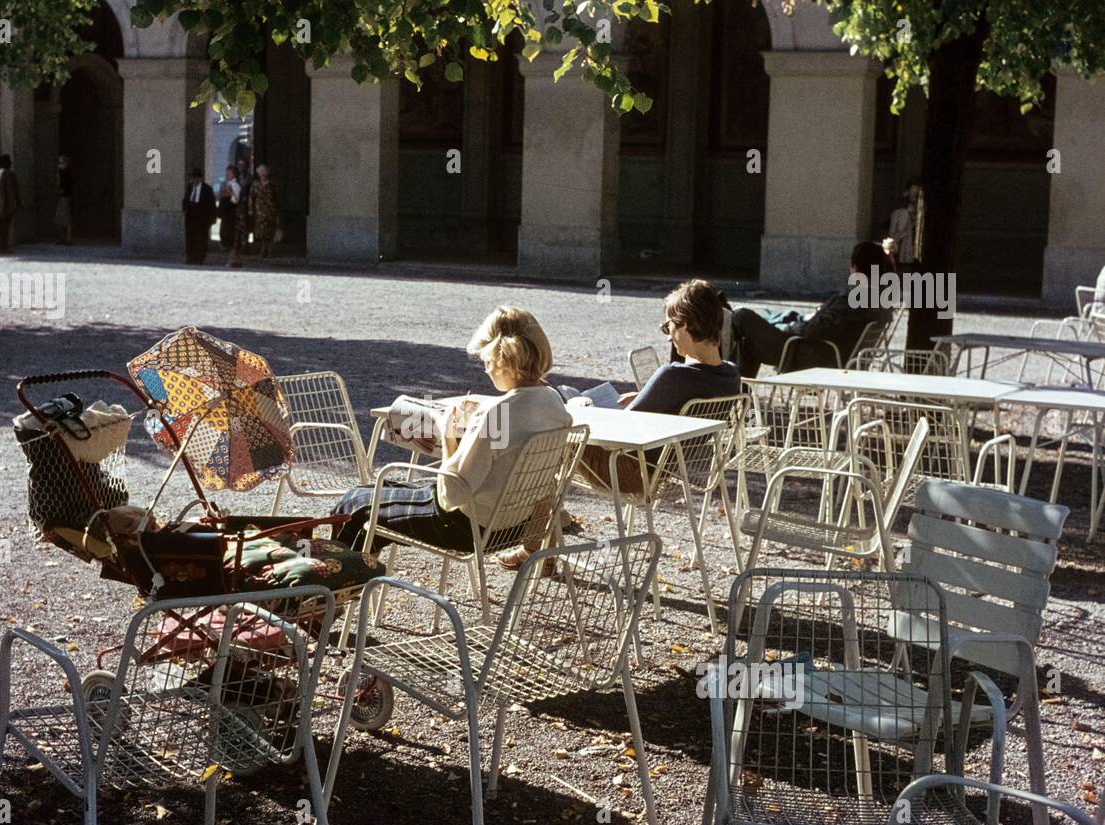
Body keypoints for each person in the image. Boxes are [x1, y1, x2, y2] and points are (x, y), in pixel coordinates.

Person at [333, 306, 572, 554]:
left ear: (502, 360)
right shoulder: (553, 402)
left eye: (487, 361)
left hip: (465, 527)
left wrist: (448, 432)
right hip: (512, 525)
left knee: (355, 506)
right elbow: (510, 432)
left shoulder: (496, 415)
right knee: (365, 493)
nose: (487, 369)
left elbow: (451, 495)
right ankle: (352, 576)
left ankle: (338, 580)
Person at [571, 280, 742, 499]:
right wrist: (647, 397)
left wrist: (585, 407)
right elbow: (684, 401)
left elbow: (621, 429)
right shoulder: (730, 375)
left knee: (552, 432)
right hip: (670, 468)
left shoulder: (673, 377)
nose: (669, 337)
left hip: (628, 471)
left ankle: (541, 519)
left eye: (667, 327)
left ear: (684, 325)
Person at [727, 241, 894, 379]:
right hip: (831, 355)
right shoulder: (880, 299)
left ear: (854, 267)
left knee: (742, 315)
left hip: (809, 354)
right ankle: (738, 399)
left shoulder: (852, 299)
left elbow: (817, 329)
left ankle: (721, 380)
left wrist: (795, 326)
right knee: (747, 345)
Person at [885, 176, 924, 267]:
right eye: (912, 189)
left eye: (916, 190)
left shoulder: (919, 202)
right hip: (899, 227)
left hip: (909, 229)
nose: (914, 192)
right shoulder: (902, 201)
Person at [181, 167, 215, 264]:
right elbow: (185, 200)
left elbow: (211, 206)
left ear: (200, 179)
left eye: (195, 178)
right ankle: (190, 257)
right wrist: (184, 210)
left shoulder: (207, 189)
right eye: (192, 178)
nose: (193, 180)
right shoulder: (190, 187)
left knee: (200, 239)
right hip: (191, 217)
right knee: (190, 238)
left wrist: (210, 220)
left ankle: (199, 258)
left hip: (202, 218)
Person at [0, 154, 19, 255]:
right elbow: (11, 191)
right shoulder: (9, 174)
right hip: (6, 203)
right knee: (4, 227)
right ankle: (2, 247)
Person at [248, 164, 278, 259]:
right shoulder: (255, 184)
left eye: (264, 172)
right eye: (260, 172)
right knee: (261, 231)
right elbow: (251, 197)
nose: (262, 174)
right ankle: (263, 249)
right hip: (259, 210)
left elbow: (277, 197)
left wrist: (277, 210)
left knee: (271, 231)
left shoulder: (272, 184)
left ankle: (270, 250)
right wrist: (250, 209)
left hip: (270, 210)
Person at [217, 164, 242, 267]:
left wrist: (229, 194)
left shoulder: (234, 185)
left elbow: (236, 200)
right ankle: (234, 259)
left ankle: (233, 260)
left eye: (229, 173)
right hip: (226, 214)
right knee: (227, 237)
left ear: (234, 174)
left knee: (232, 238)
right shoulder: (227, 184)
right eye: (227, 172)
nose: (227, 174)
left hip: (232, 215)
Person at [54, 154, 74, 245]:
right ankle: (63, 238)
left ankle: (68, 239)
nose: (59, 164)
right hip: (63, 197)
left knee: (66, 219)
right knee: (59, 219)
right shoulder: (62, 173)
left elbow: (61, 185)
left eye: (61, 162)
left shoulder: (66, 174)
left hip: (65, 197)